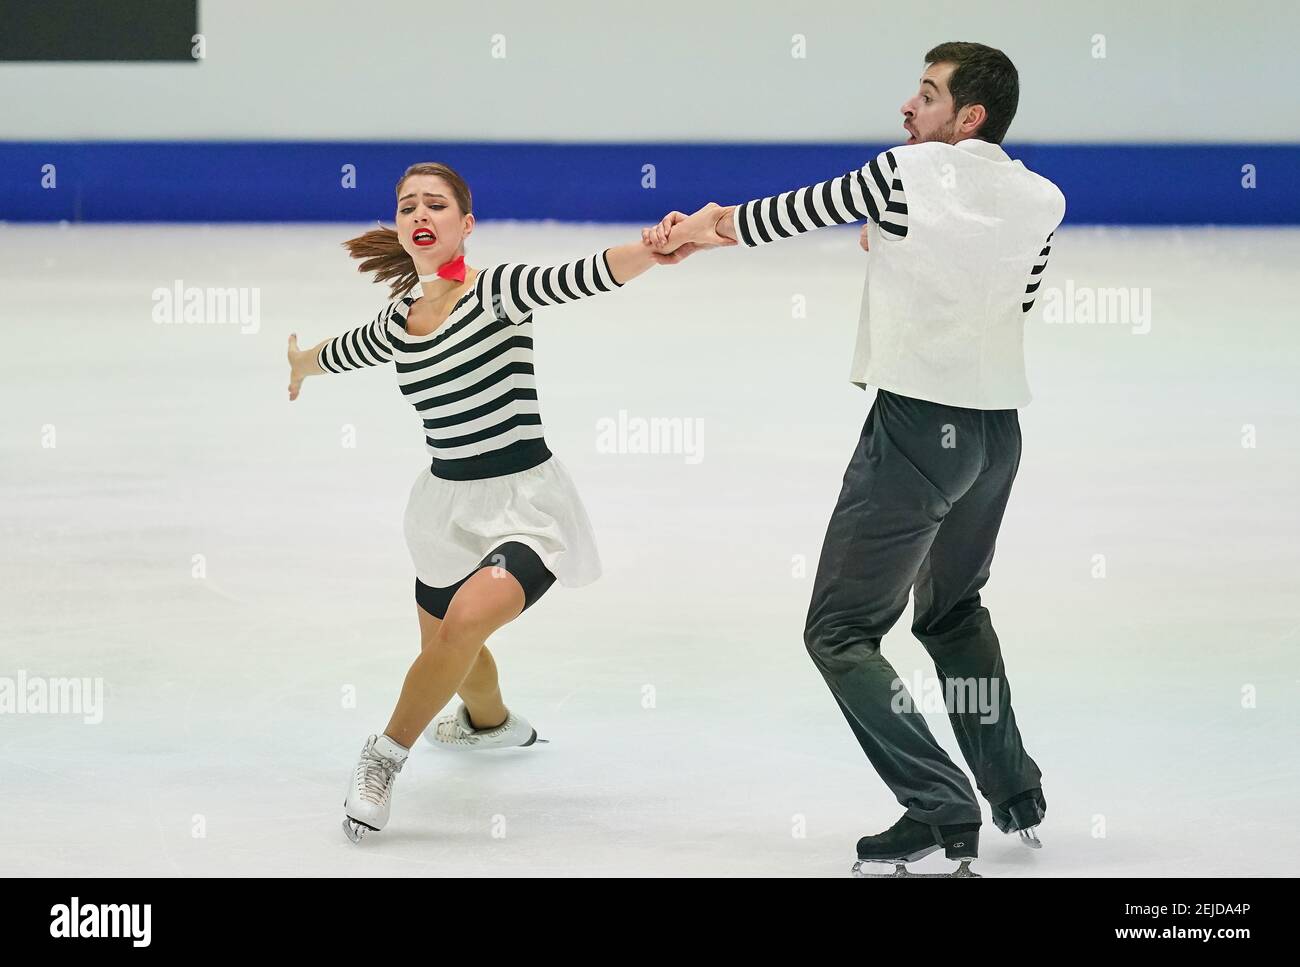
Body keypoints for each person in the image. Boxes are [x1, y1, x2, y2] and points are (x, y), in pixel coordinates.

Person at [644, 42, 1065, 877]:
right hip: (995, 438)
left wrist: (694, 230)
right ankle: (1014, 789)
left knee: (839, 630)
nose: (908, 109)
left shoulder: (899, 177)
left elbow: (776, 217)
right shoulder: (1041, 199)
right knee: (952, 612)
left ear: (968, 117)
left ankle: (938, 804)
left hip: (916, 432)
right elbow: (1010, 292)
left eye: (928, 96)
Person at [286, 162, 705, 842]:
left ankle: (383, 756)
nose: (421, 213)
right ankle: (490, 723)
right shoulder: (397, 323)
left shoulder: (499, 291)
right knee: (456, 654)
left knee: (461, 627)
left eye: (437, 204)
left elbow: (586, 273)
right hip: (442, 511)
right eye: (408, 205)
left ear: (465, 224)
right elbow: (345, 351)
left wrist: (656, 247)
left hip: (527, 506)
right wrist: (303, 362)